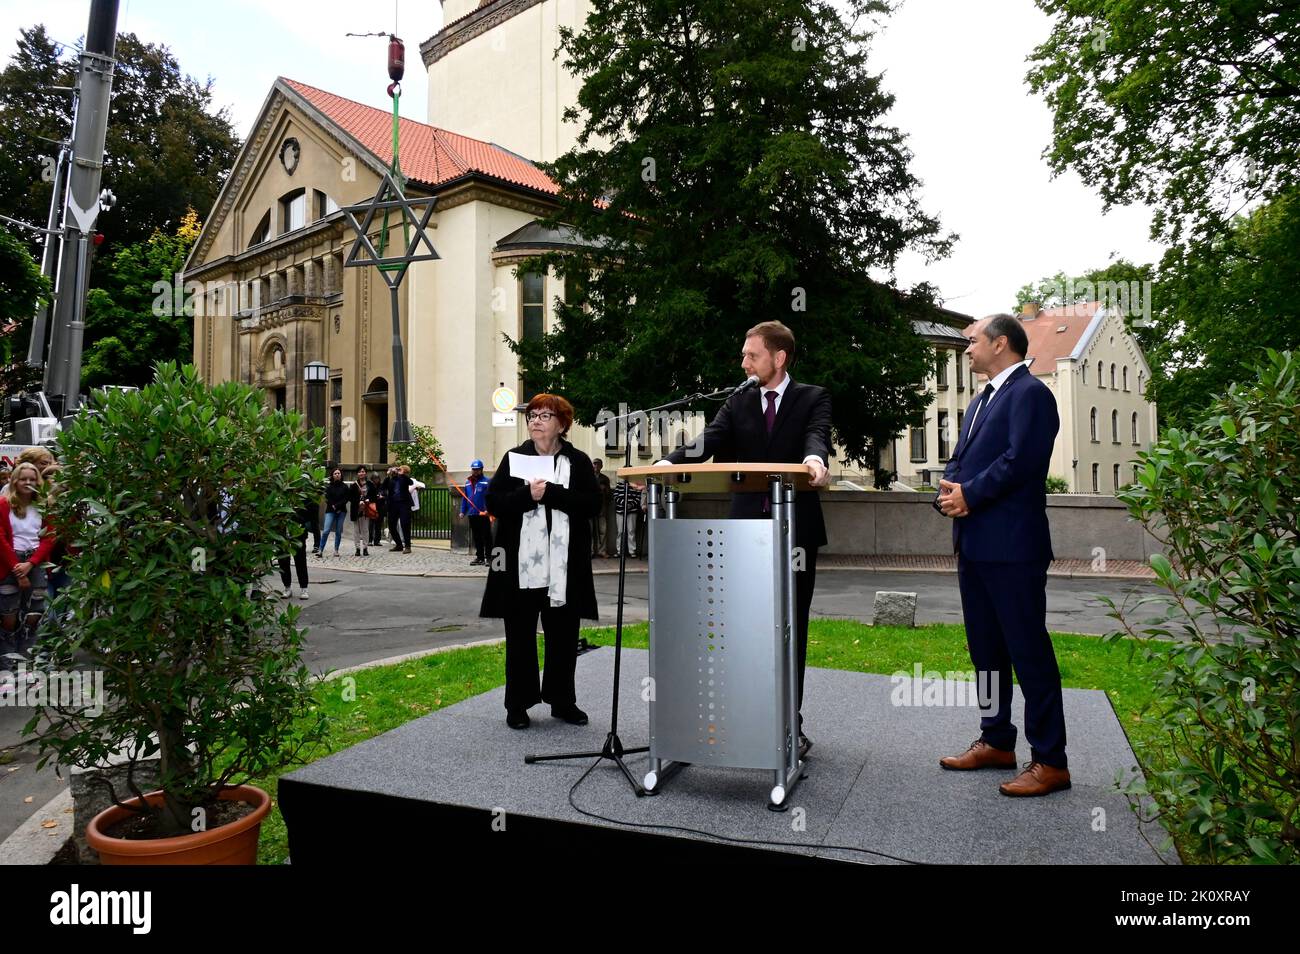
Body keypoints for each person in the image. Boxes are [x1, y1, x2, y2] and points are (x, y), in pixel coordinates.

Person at [662, 319, 831, 760]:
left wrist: (814, 459)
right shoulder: (739, 401)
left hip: (795, 532)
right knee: (743, 626)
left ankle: (788, 724)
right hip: (744, 535)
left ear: (779, 357)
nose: (744, 362)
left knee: (790, 627)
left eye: (751, 354)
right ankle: (745, 717)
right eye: (743, 354)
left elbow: (817, 437)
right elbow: (708, 443)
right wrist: (666, 463)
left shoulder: (812, 397)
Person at [936, 313, 1069, 797]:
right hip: (974, 545)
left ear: (1001, 343)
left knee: (1027, 652)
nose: (967, 348)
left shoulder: (1031, 394)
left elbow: (1022, 461)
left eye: (972, 341)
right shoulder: (981, 400)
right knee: (987, 652)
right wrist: (949, 489)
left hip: (1014, 548)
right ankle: (997, 741)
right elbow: (962, 457)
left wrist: (969, 494)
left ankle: (1051, 761)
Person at [480, 393, 600, 730]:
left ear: (562, 424)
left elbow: (592, 505)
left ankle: (562, 701)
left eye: (544, 415)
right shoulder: (515, 458)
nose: (535, 420)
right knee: (519, 637)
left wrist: (552, 494)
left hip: (564, 568)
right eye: (532, 415)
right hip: (520, 568)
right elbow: (495, 502)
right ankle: (517, 705)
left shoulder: (577, 462)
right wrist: (526, 496)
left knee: (563, 636)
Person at [0, 462, 55, 656]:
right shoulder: (4, 504)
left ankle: (27, 658)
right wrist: (17, 567)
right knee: (9, 614)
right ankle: (7, 660)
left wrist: (31, 563)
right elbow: (1, 538)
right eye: (23, 478)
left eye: (32, 479)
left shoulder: (44, 505)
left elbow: (50, 536)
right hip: (8, 562)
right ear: (15, 481)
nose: (28, 482)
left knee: (35, 612)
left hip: (36, 561)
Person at [280, 493, 313, 599]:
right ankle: (287, 587)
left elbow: (308, 515)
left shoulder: (303, 497)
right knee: (283, 561)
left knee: (300, 561)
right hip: (282, 534)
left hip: (298, 533)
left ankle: (304, 588)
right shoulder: (280, 495)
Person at [459, 459, 492, 565]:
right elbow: (465, 498)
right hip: (472, 514)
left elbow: (490, 497)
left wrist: (489, 509)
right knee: (476, 537)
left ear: (481, 470)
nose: (475, 471)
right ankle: (480, 557)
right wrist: (462, 511)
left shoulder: (487, 481)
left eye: (477, 470)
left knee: (486, 536)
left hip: (484, 513)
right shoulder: (468, 482)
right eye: (474, 469)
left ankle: (489, 558)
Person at [320, 468, 349, 558]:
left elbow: (346, 498)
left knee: (338, 531)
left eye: (338, 473)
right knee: (326, 531)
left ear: (341, 475)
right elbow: (327, 498)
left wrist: (337, 506)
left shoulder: (345, 487)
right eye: (335, 473)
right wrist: (333, 506)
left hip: (341, 511)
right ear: (332, 475)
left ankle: (336, 550)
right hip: (330, 511)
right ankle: (320, 550)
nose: (337, 475)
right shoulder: (329, 487)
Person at [610, 479, 642, 558]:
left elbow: (638, 497)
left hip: (632, 511)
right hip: (620, 511)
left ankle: (632, 551)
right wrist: (623, 503)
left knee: (631, 531)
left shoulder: (635, 484)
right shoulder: (619, 485)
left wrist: (630, 505)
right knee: (620, 531)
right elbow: (615, 496)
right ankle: (619, 551)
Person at [350, 466, 377, 557]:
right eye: (360, 472)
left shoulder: (370, 484)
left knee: (365, 530)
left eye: (363, 471)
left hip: (366, 510)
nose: (361, 473)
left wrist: (368, 499)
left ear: (365, 473)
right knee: (356, 530)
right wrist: (358, 501)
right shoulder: (354, 485)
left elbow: (374, 496)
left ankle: (365, 548)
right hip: (356, 510)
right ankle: (357, 548)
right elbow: (351, 498)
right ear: (357, 474)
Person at [386, 465, 413, 554]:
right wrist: (389, 475)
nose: (398, 470)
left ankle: (408, 546)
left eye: (400, 469)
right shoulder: (392, 479)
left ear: (405, 472)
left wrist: (402, 475)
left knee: (405, 524)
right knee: (391, 525)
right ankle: (399, 544)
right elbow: (384, 486)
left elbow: (411, 482)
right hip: (393, 504)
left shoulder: (405, 478)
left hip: (404, 504)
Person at [591, 458, 611, 558]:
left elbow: (609, 495)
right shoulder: (587, 477)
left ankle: (602, 551)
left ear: (601, 466)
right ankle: (590, 551)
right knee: (589, 531)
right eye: (594, 464)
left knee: (603, 530)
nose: (596, 466)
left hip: (601, 508)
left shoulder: (605, 479)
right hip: (589, 508)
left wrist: (605, 489)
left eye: (598, 465)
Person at [368, 470, 386, 548]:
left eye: (377, 478)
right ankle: (369, 540)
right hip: (372, 506)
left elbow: (385, 494)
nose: (376, 480)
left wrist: (382, 496)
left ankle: (377, 540)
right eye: (374, 478)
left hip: (380, 506)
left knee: (378, 524)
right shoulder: (370, 486)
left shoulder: (382, 486)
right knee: (371, 524)